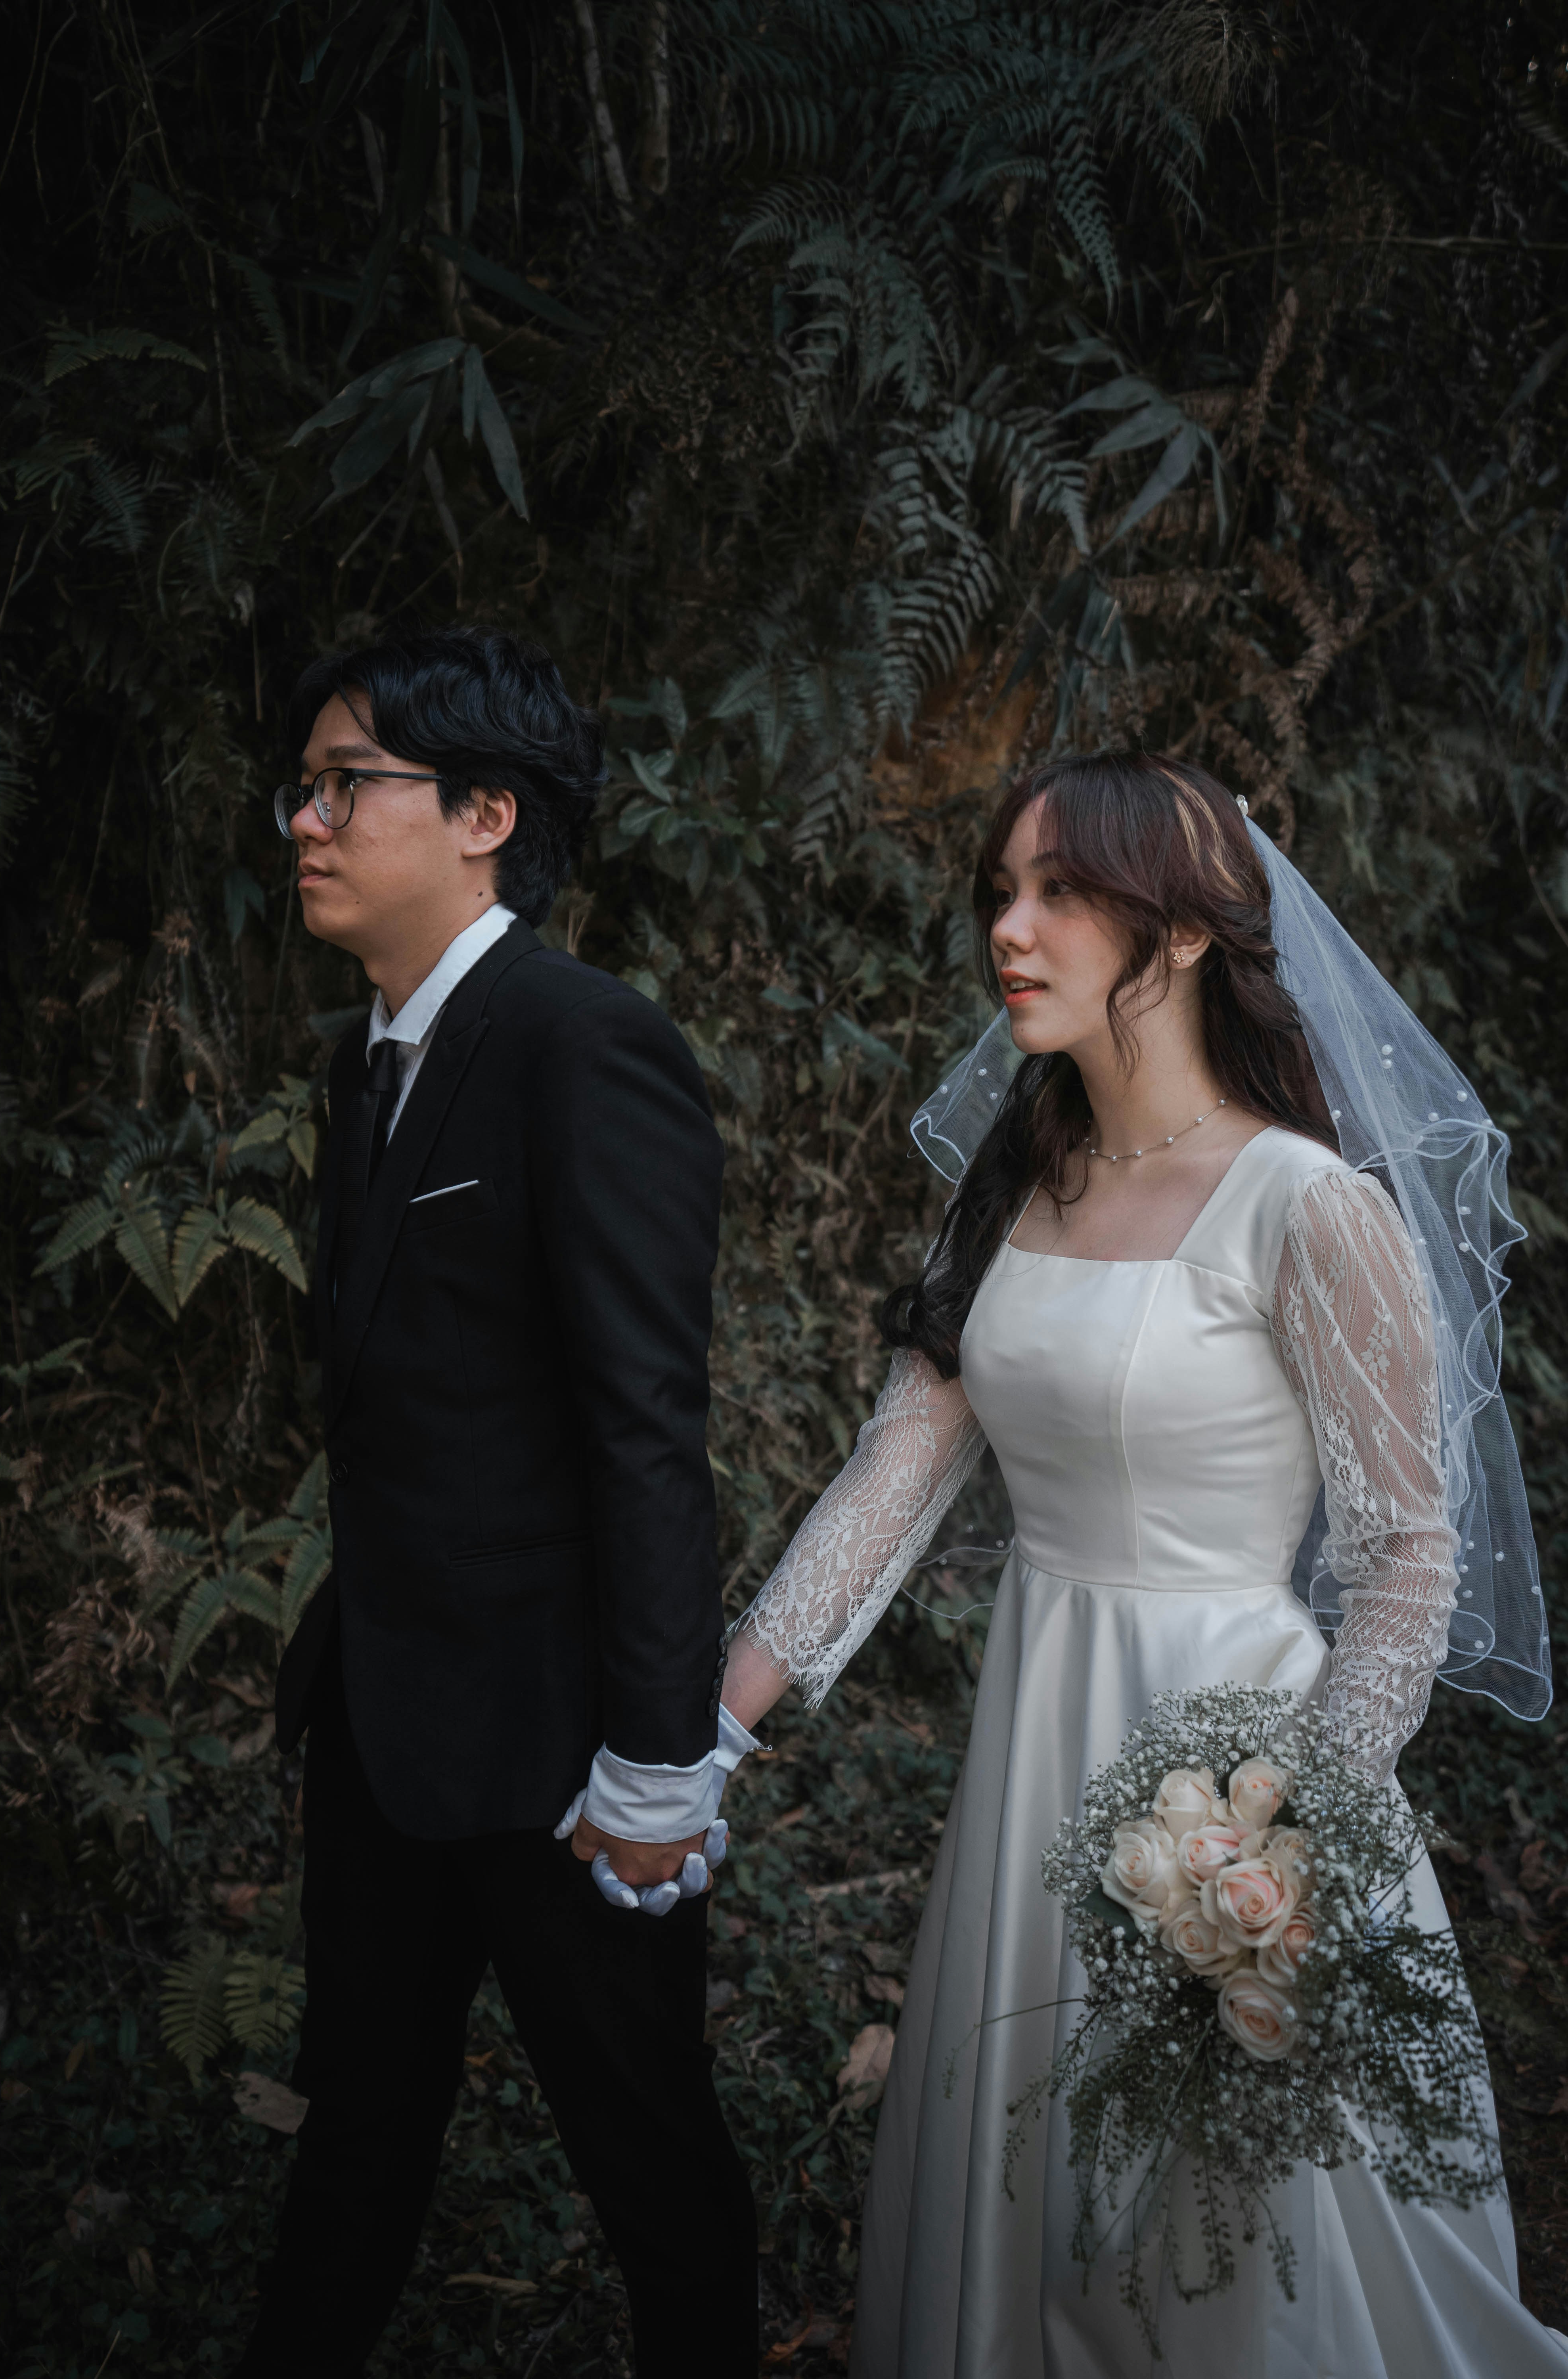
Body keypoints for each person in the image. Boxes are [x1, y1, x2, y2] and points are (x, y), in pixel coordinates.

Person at [719, 753, 1563, 2378]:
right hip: (1038, 1749)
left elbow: (1402, 1560)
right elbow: (889, 1483)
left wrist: (1282, 1853)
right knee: (1025, 2200)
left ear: (1174, 938)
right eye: (997, 895)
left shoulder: (1303, 1207)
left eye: (1057, 895)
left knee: (1224, 2256)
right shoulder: (1011, 1192)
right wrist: (704, 1734)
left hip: (1240, 1787)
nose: (1008, 934)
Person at [235, 626, 758, 2378]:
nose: (302, 820)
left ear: (483, 815)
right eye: (301, 786)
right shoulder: (367, 1058)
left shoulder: (581, 1047)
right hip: (389, 1721)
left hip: (558, 1749)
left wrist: (657, 1759)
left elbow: (641, 1428)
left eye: (344, 785)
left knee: (649, 2164)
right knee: (357, 2137)